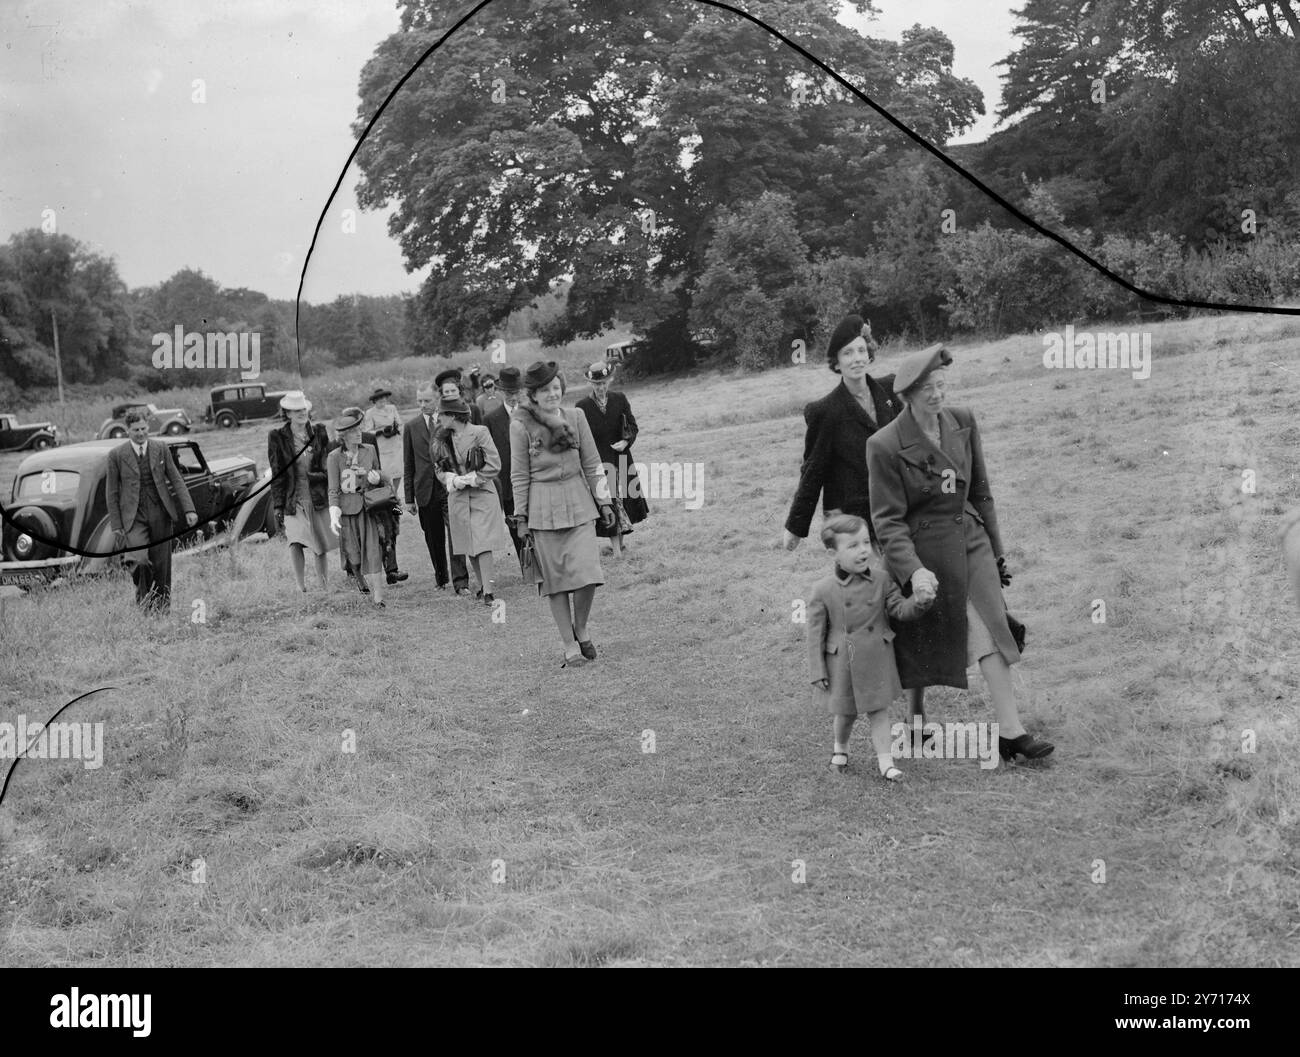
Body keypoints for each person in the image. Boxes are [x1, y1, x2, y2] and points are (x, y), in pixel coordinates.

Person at [866, 344, 1054, 764]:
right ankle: (915, 718)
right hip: (924, 552)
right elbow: (887, 521)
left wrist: (998, 552)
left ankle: (1012, 733)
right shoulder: (884, 445)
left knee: (989, 628)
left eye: (941, 385)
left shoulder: (963, 422)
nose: (937, 395)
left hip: (971, 543)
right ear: (908, 396)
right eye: (928, 389)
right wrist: (912, 571)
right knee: (921, 638)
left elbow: (981, 491)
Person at [807, 513, 932, 781]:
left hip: (876, 658)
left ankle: (887, 764)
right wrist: (818, 671)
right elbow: (815, 635)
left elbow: (899, 609)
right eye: (852, 545)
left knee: (879, 711)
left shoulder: (882, 580)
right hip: (843, 665)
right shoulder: (822, 590)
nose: (863, 550)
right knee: (846, 714)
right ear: (833, 554)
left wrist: (920, 601)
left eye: (865, 542)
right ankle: (840, 749)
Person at [509, 360, 616, 667]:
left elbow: (593, 463)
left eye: (556, 388)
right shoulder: (521, 426)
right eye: (545, 390)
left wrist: (605, 502)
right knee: (555, 581)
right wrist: (521, 519)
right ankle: (569, 644)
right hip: (542, 509)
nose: (553, 394)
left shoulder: (576, 416)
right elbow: (519, 476)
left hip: (579, 503)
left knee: (587, 573)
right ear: (534, 395)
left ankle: (581, 627)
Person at [784, 314, 897, 550]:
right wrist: (795, 526)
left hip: (897, 509)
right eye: (848, 353)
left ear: (869, 354)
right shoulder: (825, 412)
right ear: (836, 363)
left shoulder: (890, 391)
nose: (856, 359)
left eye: (861, 351)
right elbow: (813, 470)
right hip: (856, 524)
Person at [106, 408, 198, 611]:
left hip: (160, 513)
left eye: (143, 428)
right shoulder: (116, 455)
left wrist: (189, 509)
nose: (140, 433)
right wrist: (116, 524)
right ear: (127, 430)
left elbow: (176, 479)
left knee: (161, 565)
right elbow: (111, 492)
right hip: (133, 518)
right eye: (136, 429)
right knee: (139, 561)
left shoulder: (161, 448)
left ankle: (162, 609)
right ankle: (144, 602)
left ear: (148, 427)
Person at [432, 396, 513, 604]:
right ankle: (482, 585)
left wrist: (472, 478)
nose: (437, 417)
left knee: (482, 541)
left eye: (440, 413)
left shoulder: (479, 432)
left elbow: (494, 463)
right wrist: (451, 479)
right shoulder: (441, 438)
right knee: (469, 543)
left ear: (452, 415)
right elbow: (438, 468)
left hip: (482, 493)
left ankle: (488, 590)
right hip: (458, 497)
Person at [576, 360, 649, 558]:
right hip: (598, 463)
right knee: (609, 503)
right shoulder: (581, 407)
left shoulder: (620, 399)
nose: (600, 387)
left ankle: (620, 546)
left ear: (610, 380)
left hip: (621, 458)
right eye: (596, 384)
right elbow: (580, 438)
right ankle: (617, 550)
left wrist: (626, 442)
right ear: (590, 384)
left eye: (604, 383)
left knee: (623, 502)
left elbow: (632, 426)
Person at [267, 390, 335, 592]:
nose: (301, 413)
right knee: (295, 541)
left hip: (317, 496)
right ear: (287, 413)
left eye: (303, 409)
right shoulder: (277, 437)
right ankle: (300, 586)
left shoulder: (319, 432)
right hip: (293, 498)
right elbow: (277, 472)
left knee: (319, 544)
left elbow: (329, 463)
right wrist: (278, 504)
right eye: (296, 410)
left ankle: (323, 586)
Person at [403, 382, 467, 591]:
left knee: (455, 533)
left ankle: (460, 582)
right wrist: (409, 498)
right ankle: (441, 578)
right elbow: (409, 463)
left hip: (449, 486)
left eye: (427, 400)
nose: (423, 405)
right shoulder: (411, 427)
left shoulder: (448, 422)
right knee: (433, 536)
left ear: (437, 399)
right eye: (419, 401)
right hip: (425, 490)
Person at [327, 406, 391, 608]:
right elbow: (333, 489)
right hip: (347, 511)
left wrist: (377, 476)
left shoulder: (369, 450)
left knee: (373, 550)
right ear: (344, 436)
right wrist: (333, 512)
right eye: (354, 431)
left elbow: (382, 476)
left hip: (368, 508)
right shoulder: (334, 457)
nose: (359, 433)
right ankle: (360, 580)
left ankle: (378, 597)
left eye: (359, 429)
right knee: (353, 554)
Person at [484, 365, 525, 559]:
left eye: (516, 392)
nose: (513, 397)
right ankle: (528, 566)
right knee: (516, 527)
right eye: (509, 392)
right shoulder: (491, 419)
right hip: (507, 484)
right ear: (501, 392)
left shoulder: (530, 413)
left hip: (532, 480)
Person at [362, 383, 405, 499]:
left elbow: (400, 423)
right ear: (375, 402)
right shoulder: (370, 413)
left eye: (384, 400)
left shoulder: (392, 408)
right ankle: (389, 496)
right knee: (386, 476)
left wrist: (395, 429)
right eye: (380, 401)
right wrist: (380, 431)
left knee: (398, 473)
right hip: (382, 447)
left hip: (395, 445)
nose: (383, 402)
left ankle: (395, 496)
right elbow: (367, 431)